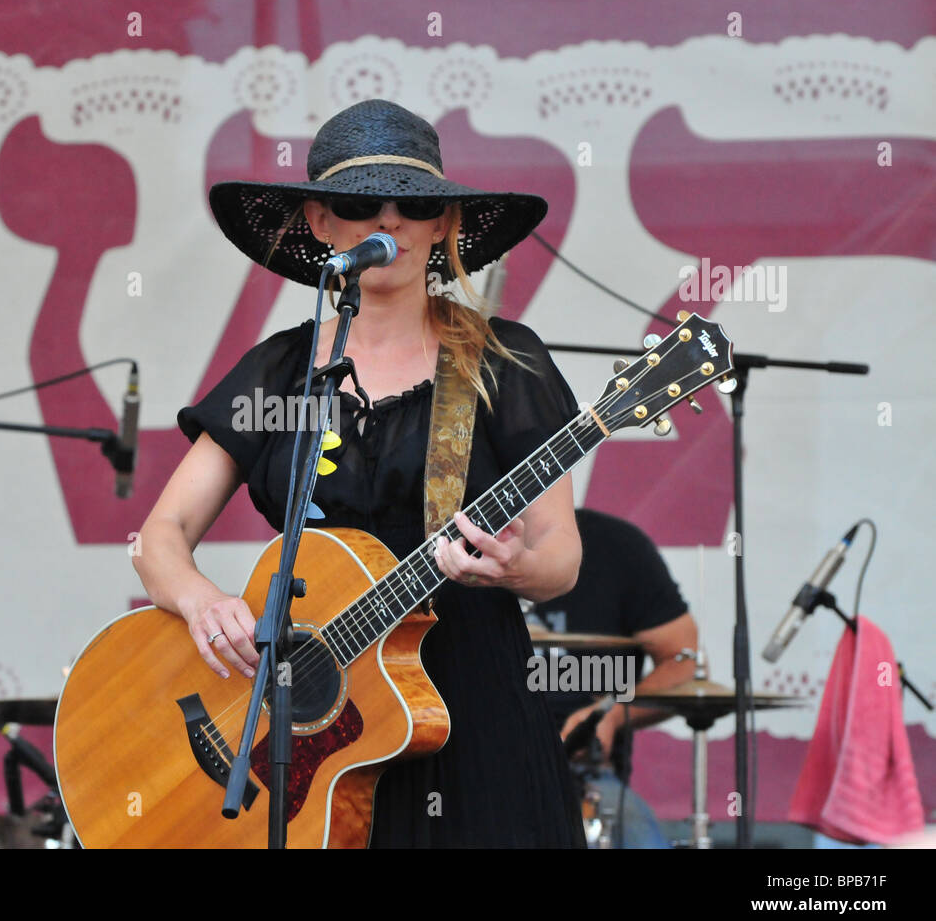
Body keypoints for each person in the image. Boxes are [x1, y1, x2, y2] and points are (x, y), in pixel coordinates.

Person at [133, 98, 586, 847]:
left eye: (414, 204)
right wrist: (204, 602)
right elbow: (159, 536)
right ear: (320, 222)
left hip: (469, 709)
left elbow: (561, 557)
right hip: (312, 725)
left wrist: (514, 567)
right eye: (357, 203)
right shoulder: (276, 372)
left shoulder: (506, 358)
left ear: (443, 224)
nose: (389, 221)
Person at [524, 507, 700, 848]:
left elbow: (681, 662)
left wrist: (609, 715)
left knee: (640, 838)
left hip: (581, 774)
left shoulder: (618, 547)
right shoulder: (448, 550)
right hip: (471, 770)